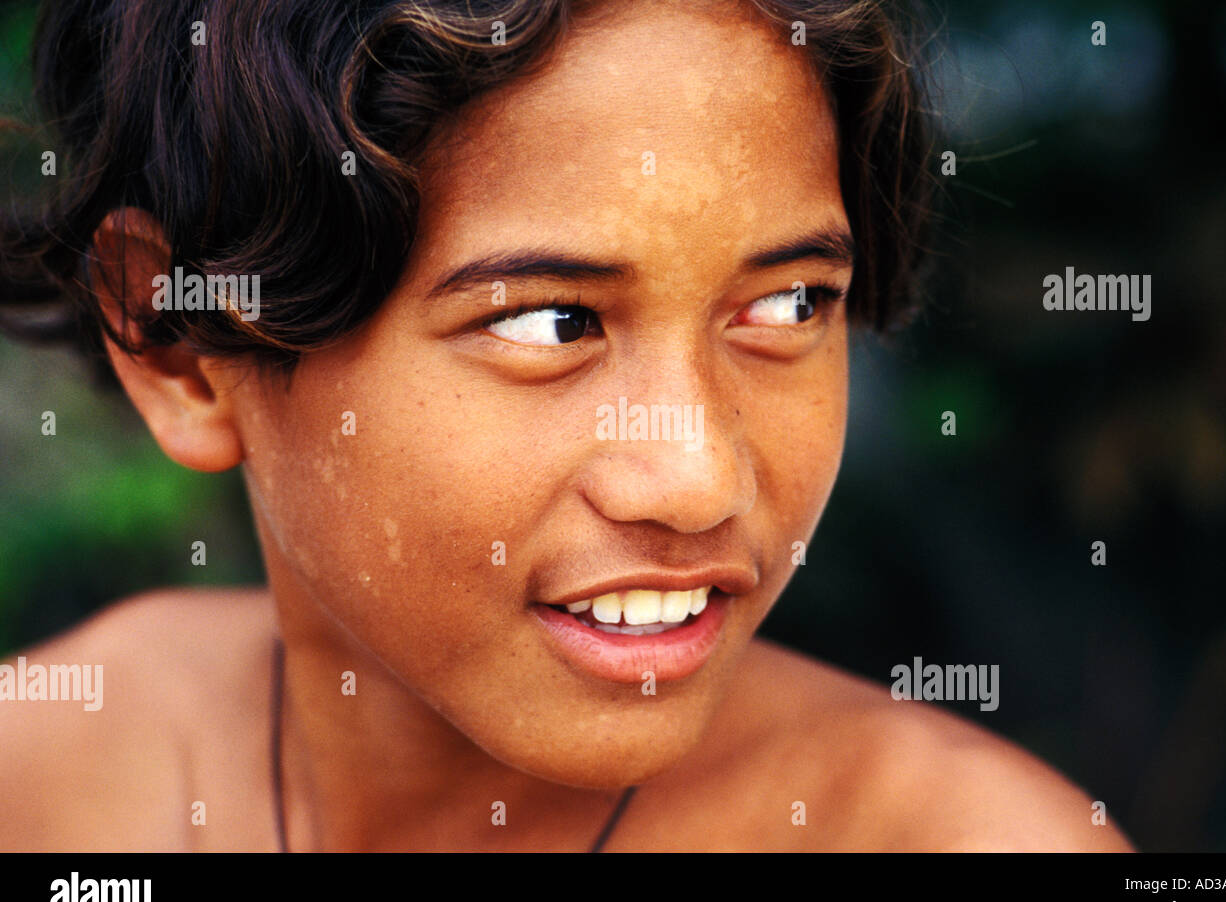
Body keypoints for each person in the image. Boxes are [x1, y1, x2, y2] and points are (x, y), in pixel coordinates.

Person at [0, 0, 1134, 851]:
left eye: (789, 305)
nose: (698, 479)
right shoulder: (55, 772)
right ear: (181, 349)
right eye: (550, 322)